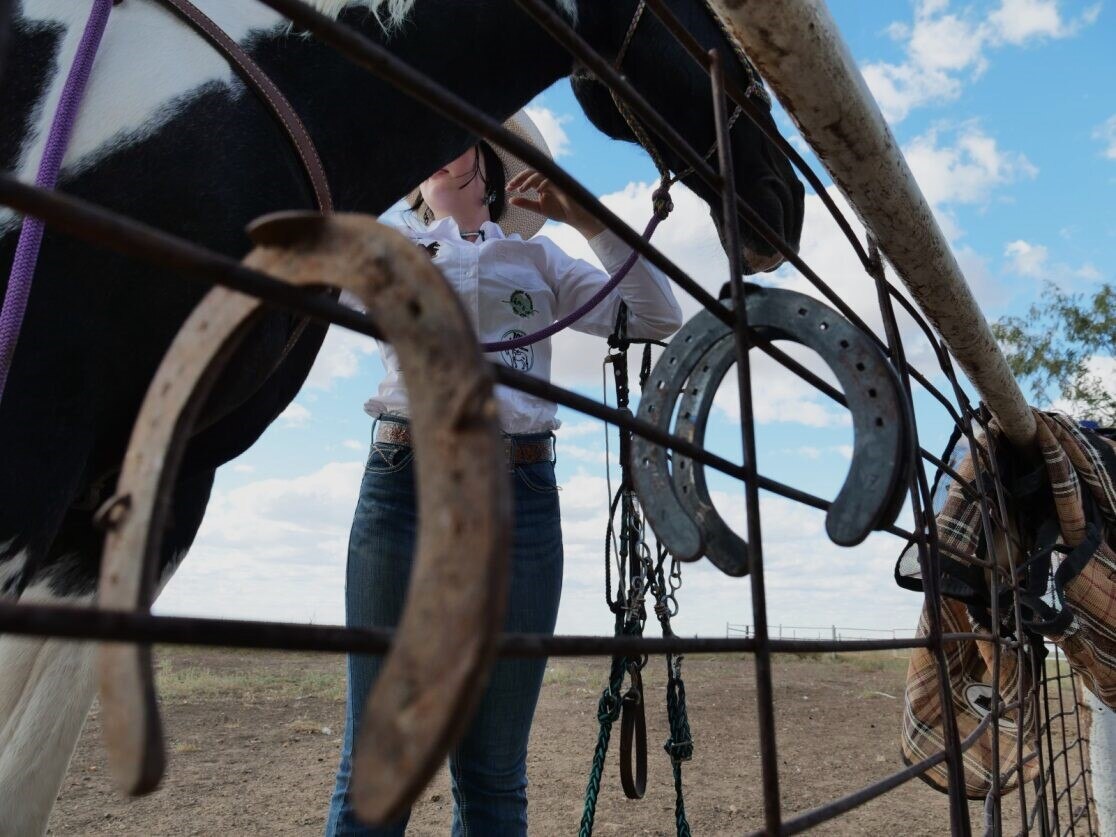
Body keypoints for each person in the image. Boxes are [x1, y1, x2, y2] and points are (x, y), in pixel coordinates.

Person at [325, 111, 683, 836]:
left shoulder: (543, 261)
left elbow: (655, 312)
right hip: (404, 483)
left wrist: (589, 222)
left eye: (452, 129)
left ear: (488, 160)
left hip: (519, 499)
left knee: (492, 772)